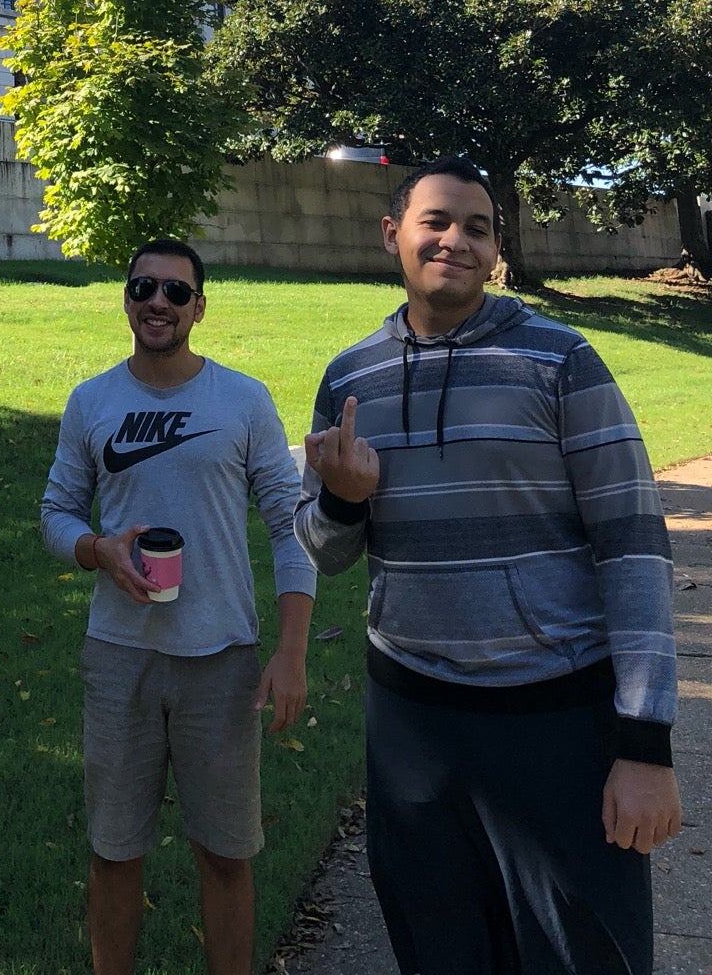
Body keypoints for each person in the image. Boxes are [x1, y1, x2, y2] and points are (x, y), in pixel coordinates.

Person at [296, 155, 680, 975]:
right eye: (436, 221)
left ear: (497, 249)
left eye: (478, 227)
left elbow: (634, 544)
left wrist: (645, 745)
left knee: (581, 958)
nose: (455, 241)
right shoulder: (349, 378)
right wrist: (343, 499)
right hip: (414, 725)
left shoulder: (560, 360)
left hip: (556, 720)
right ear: (391, 235)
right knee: (439, 950)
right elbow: (328, 554)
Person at [41, 237, 316, 975]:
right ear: (125, 299)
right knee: (113, 851)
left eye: (174, 292)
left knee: (225, 855)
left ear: (199, 307)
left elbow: (291, 529)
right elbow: (57, 511)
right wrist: (97, 549)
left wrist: (290, 653)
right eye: (143, 289)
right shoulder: (92, 401)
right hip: (119, 657)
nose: (157, 303)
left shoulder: (243, 400)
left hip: (220, 661)